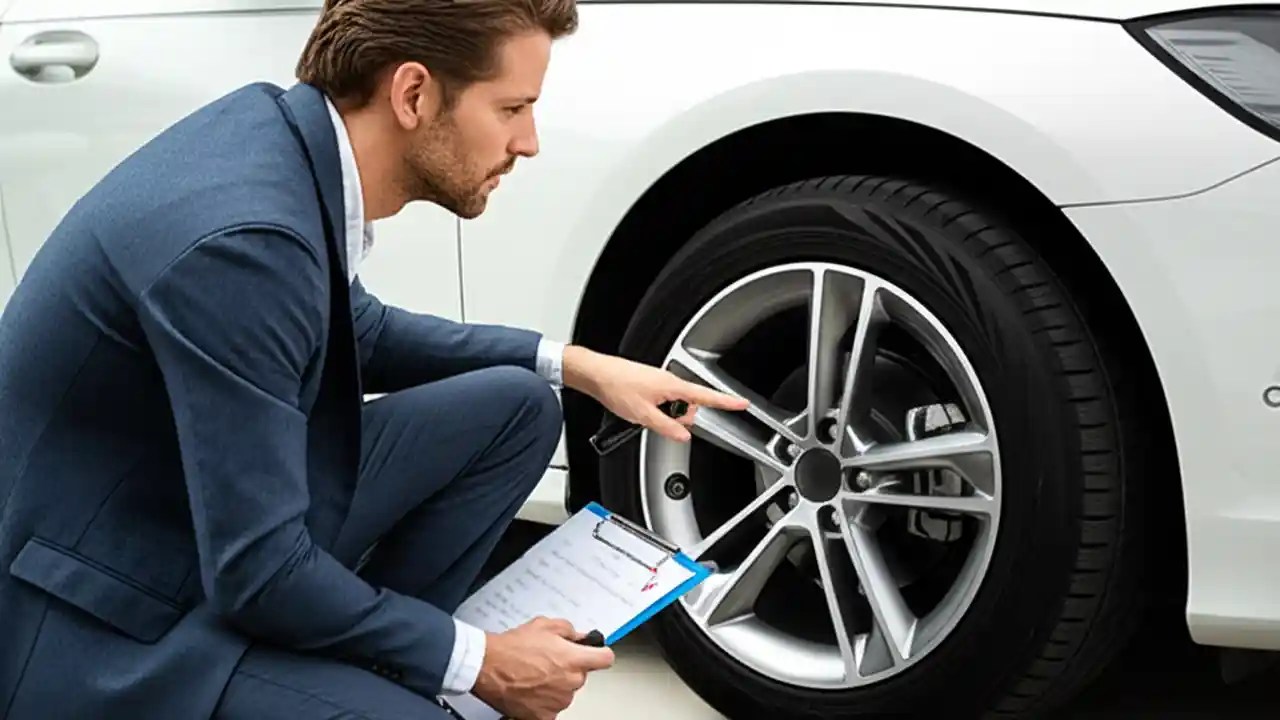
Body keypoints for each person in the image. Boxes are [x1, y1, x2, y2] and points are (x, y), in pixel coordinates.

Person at [0, 0, 749, 718]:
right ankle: (364, 678)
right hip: (108, 617)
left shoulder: (282, 141)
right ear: (414, 93)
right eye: (512, 109)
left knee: (517, 407)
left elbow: (362, 331)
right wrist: (481, 660)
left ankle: (357, 667)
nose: (529, 143)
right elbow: (257, 572)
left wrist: (581, 365)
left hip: (191, 524)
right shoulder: (246, 241)